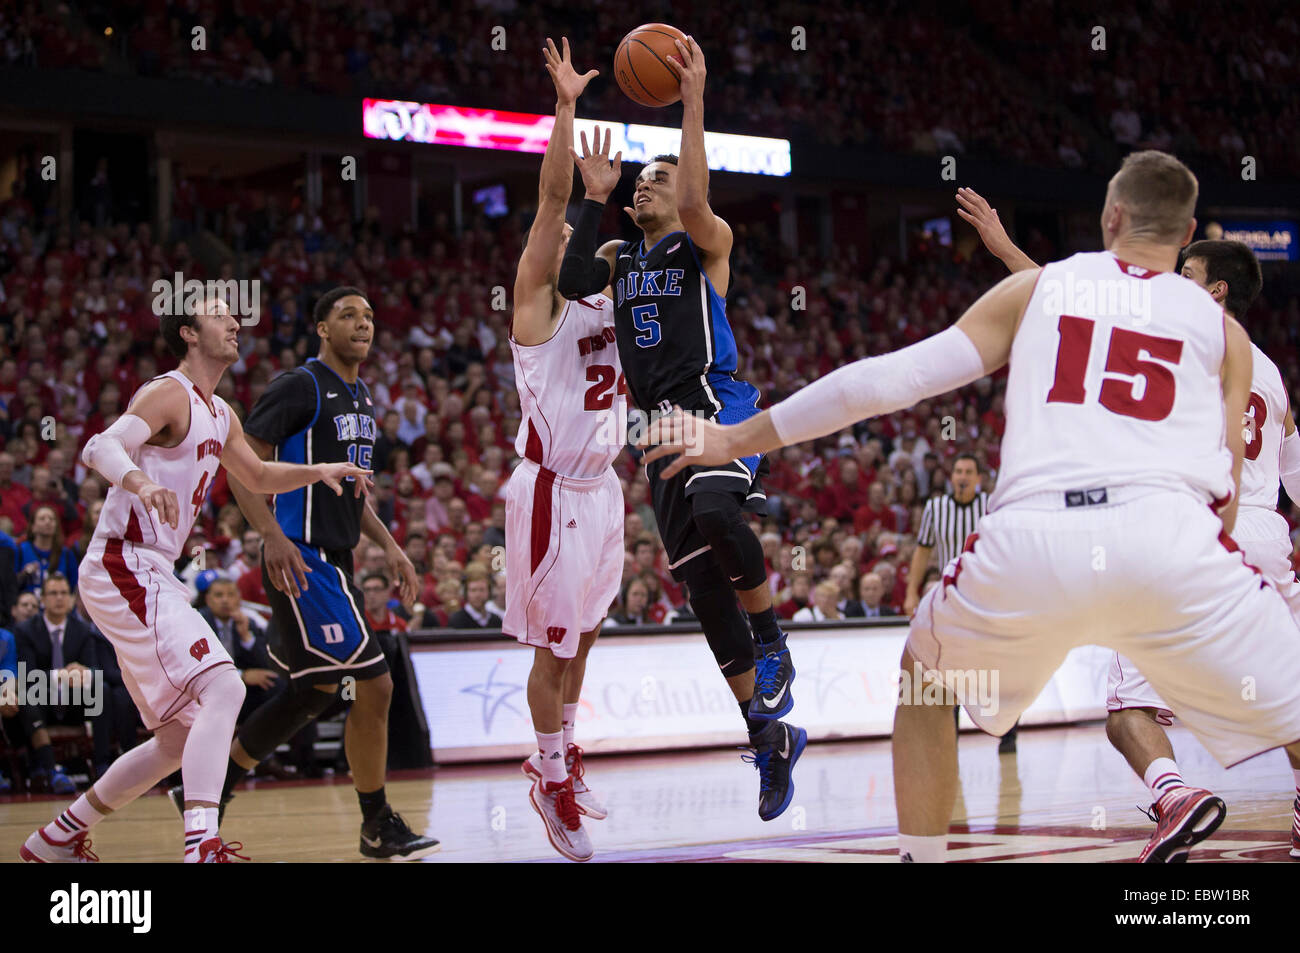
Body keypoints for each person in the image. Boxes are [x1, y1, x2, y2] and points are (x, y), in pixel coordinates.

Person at [641, 150, 1300, 863]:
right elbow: (1226, 487)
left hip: (1038, 540)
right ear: (1188, 231)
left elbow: (895, 380)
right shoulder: (1229, 338)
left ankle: (923, 858)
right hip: (1176, 543)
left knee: (925, 678)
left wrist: (735, 436)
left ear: (1112, 217)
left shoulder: (1042, 288)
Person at [962, 188, 1300, 851]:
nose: (1172, 281)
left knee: (1127, 709)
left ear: (1218, 292)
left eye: (1187, 274)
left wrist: (1003, 248)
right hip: (1267, 541)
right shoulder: (1271, 375)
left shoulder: (1181, 337)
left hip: (1197, 535)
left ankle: (1175, 797)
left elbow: (1067, 307)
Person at [21, 296, 368, 864]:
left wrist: (319, 469)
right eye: (218, 315)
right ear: (187, 332)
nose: (235, 322)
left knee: (177, 741)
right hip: (122, 562)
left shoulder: (220, 411)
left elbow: (256, 473)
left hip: (149, 569)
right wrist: (137, 482)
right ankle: (202, 844)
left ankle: (53, 839)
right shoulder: (168, 392)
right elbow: (99, 445)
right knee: (225, 686)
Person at [557, 34, 804, 821]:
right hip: (655, 430)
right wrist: (591, 192)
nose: (645, 189)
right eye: (641, 182)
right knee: (701, 587)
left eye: (655, 179)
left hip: (718, 406)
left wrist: (693, 102)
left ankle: (772, 640)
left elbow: (697, 199)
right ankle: (767, 734)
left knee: (718, 512)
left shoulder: (706, 244)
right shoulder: (617, 255)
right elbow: (565, 286)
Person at [169, 286, 439, 861]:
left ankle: (208, 791)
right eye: (347, 315)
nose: (362, 324)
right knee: (377, 683)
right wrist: (270, 536)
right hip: (301, 558)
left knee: (313, 692)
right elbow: (242, 464)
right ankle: (375, 824)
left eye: (369, 315)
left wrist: (391, 546)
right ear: (322, 328)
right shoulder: (301, 386)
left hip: (333, 562)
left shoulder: (361, 397)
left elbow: (351, 491)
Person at [501, 39, 621, 863]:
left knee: (589, 633)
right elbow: (548, 209)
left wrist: (609, 204)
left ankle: (567, 752)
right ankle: (546, 777)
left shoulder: (612, 296)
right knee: (555, 643)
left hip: (604, 488)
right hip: (550, 490)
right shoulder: (538, 313)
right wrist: (567, 109)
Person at [13, 573, 108, 790]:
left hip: (74, 701)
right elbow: (27, 674)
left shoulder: (83, 630)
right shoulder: (25, 630)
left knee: (101, 689)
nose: (59, 598)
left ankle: (103, 764)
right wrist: (62, 675)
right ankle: (51, 770)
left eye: (64, 593)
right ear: (43, 600)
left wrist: (85, 672)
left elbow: (94, 668)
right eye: (53, 593)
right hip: (42, 701)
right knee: (27, 695)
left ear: (72, 599)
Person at [448, 564, 503, 629]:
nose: (478, 595)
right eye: (473, 590)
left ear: (489, 592)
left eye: (482, 590)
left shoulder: (496, 620)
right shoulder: (456, 620)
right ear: (466, 593)